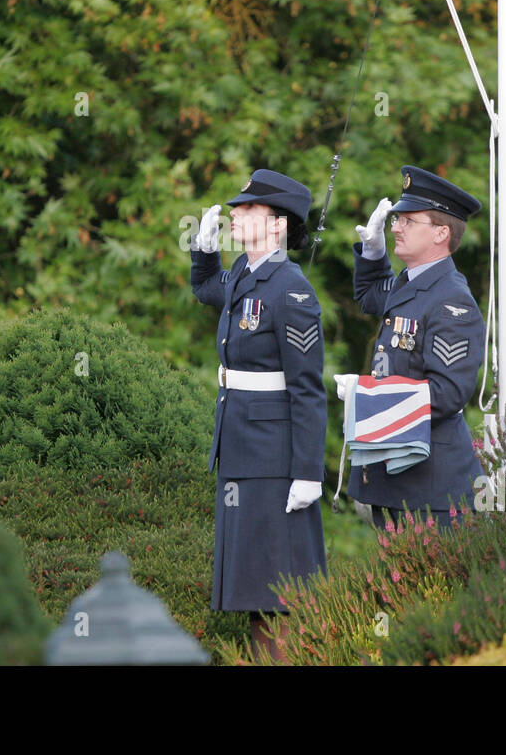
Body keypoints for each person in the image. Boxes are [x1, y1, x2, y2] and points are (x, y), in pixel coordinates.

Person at [190, 169, 327, 661]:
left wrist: (309, 472)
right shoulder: (247, 276)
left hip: (274, 461)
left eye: (246, 209)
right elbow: (207, 286)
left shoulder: (289, 290)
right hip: (243, 451)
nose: (233, 214)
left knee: (280, 596)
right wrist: (204, 249)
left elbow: (308, 389)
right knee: (257, 594)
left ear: (277, 225)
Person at [348, 165, 487, 532]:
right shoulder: (410, 283)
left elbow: (447, 394)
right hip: (400, 483)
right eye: (397, 220)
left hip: (434, 492)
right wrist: (374, 252)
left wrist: (367, 396)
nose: (396, 227)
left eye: (409, 221)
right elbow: (369, 296)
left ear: (442, 232)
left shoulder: (452, 301)